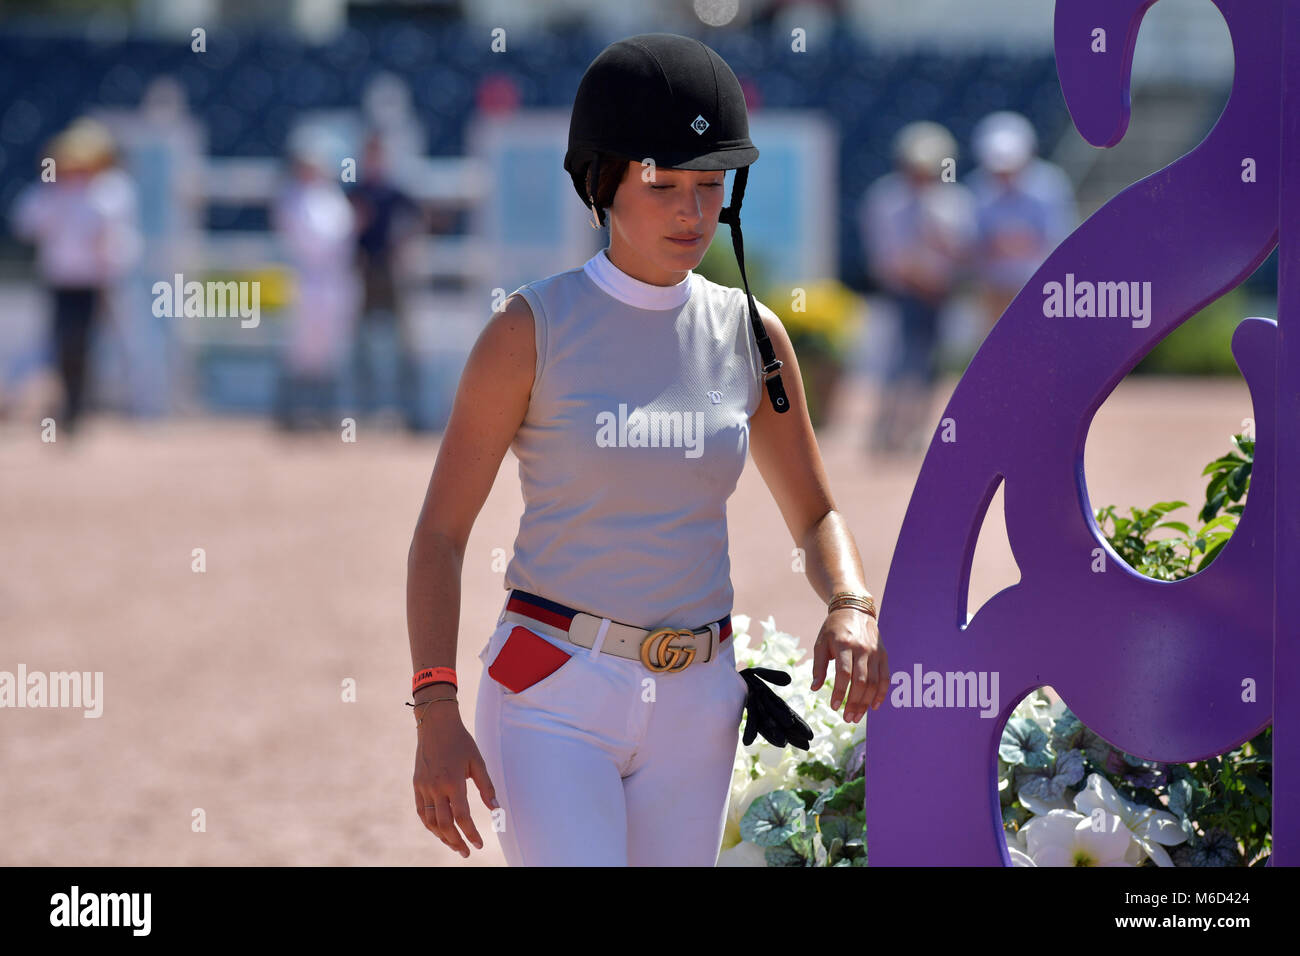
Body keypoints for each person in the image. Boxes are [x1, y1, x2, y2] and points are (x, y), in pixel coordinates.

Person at [405, 33, 888, 867]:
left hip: (700, 701)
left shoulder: (753, 336)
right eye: (664, 185)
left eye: (711, 187)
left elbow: (816, 516)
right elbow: (440, 535)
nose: (693, 213)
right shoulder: (528, 331)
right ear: (603, 182)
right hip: (551, 692)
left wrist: (851, 602)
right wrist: (434, 707)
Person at [10, 117, 141, 435]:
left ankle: (129, 408)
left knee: (99, 345)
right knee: (63, 343)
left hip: (97, 283)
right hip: (60, 281)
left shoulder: (110, 189)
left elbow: (115, 233)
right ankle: (67, 408)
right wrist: (53, 190)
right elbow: (25, 223)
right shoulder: (51, 192)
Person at [859, 121, 976, 455]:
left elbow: (964, 255)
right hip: (901, 296)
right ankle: (883, 430)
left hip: (941, 297)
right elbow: (884, 257)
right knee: (895, 362)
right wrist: (918, 278)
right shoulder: (885, 199)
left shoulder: (955, 203)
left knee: (930, 367)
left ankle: (915, 433)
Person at [271, 131, 359, 431]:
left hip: (333, 279)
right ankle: (291, 412)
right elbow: (305, 240)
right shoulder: (292, 197)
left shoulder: (332, 197)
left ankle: (326, 413)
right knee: (300, 346)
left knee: (330, 345)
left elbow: (343, 237)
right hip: (307, 277)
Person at [966, 111, 1077, 335]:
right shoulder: (977, 187)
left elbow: (1061, 238)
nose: (1004, 175)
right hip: (994, 288)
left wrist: (1011, 243)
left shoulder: (1050, 185)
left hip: (1041, 286)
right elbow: (970, 243)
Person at [346, 132, 424, 429]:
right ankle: (363, 408)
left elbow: (418, 220)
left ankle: (409, 410)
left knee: (405, 343)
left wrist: (402, 244)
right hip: (362, 272)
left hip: (391, 272)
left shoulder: (393, 193)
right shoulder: (355, 192)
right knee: (361, 343)